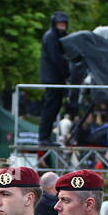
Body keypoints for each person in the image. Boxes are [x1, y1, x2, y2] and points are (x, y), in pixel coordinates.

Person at [37, 12, 70, 146]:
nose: (62, 26)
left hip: (56, 78)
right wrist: (67, 71)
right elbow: (56, 58)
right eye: (59, 23)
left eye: (64, 24)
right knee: (50, 107)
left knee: (54, 107)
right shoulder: (51, 37)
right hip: (52, 78)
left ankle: (46, 137)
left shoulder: (58, 36)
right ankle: (43, 137)